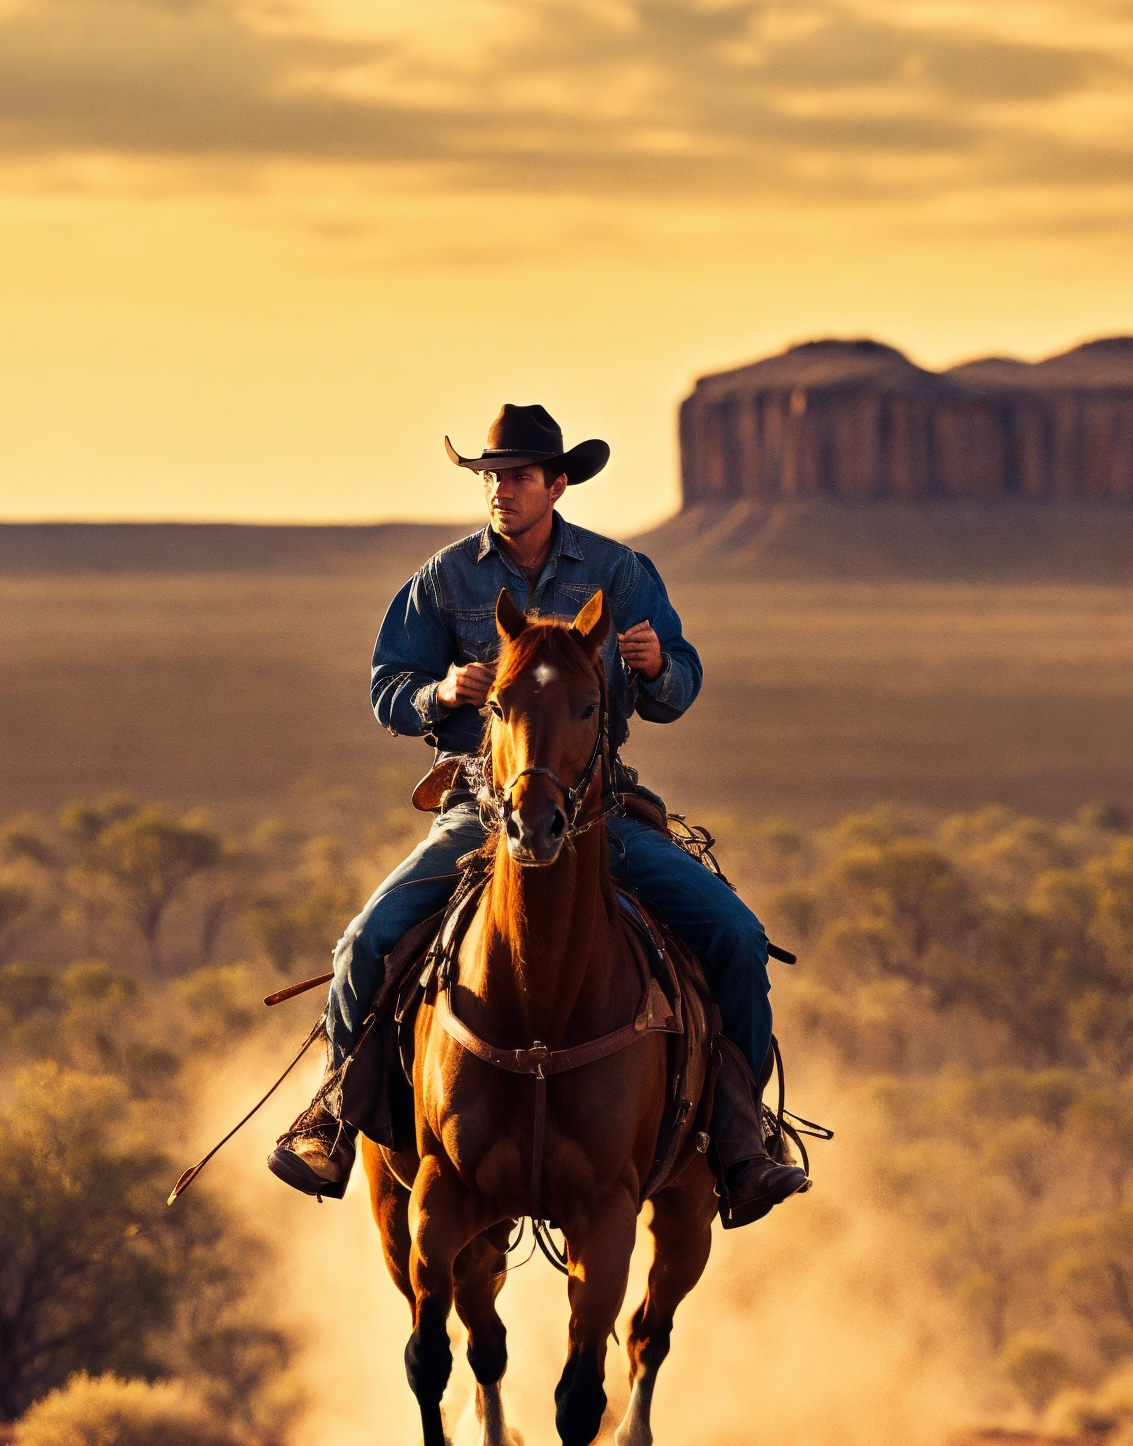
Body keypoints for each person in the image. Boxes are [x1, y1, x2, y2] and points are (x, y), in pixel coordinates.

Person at [267, 402, 810, 1228]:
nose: (501, 491)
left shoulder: (620, 575)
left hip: (597, 816)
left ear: (557, 484)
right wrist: (439, 691)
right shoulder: (445, 580)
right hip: (480, 809)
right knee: (366, 940)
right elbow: (387, 686)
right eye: (490, 477)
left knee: (733, 937)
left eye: (517, 477)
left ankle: (743, 1137)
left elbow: (682, 684)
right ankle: (334, 1117)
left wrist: (661, 666)